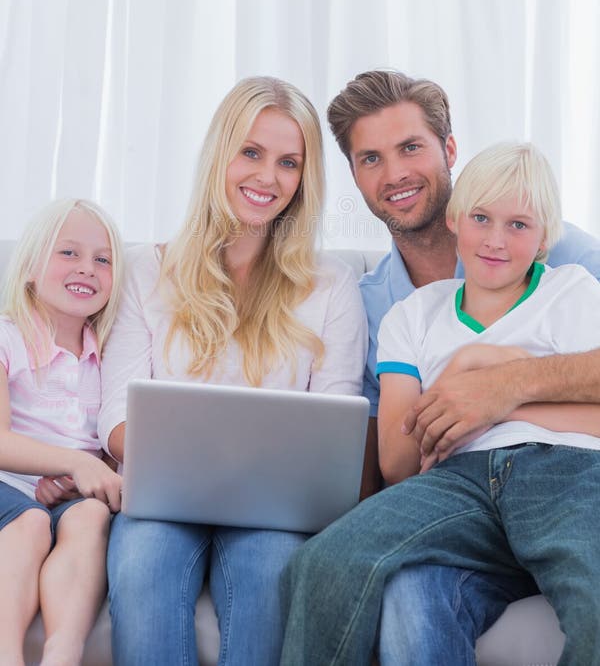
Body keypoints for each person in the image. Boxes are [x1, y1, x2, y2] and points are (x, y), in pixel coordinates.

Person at [280, 142, 600, 665]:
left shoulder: (573, 293)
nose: (496, 240)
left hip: (566, 472)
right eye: (481, 217)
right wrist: (459, 372)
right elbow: (401, 462)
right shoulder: (412, 316)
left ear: (545, 238)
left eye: (519, 225)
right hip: (457, 482)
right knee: (321, 562)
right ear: (454, 218)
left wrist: (498, 397)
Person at [96, 76, 367, 666]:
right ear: (220, 153)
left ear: (304, 178)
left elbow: (336, 421)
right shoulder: (146, 271)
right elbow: (115, 414)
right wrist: (169, 459)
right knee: (142, 570)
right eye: (251, 152)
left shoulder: (331, 286)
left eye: (288, 162)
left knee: (272, 578)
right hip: (163, 500)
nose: (267, 178)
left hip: (274, 510)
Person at [0, 198, 124, 666]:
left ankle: (62, 654)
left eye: (103, 259)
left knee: (91, 517)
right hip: (6, 491)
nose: (87, 268)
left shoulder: (108, 355)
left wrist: (85, 475)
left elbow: (108, 449)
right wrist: (72, 461)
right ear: (30, 267)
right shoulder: (7, 336)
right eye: (68, 253)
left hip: (63, 497)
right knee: (27, 523)